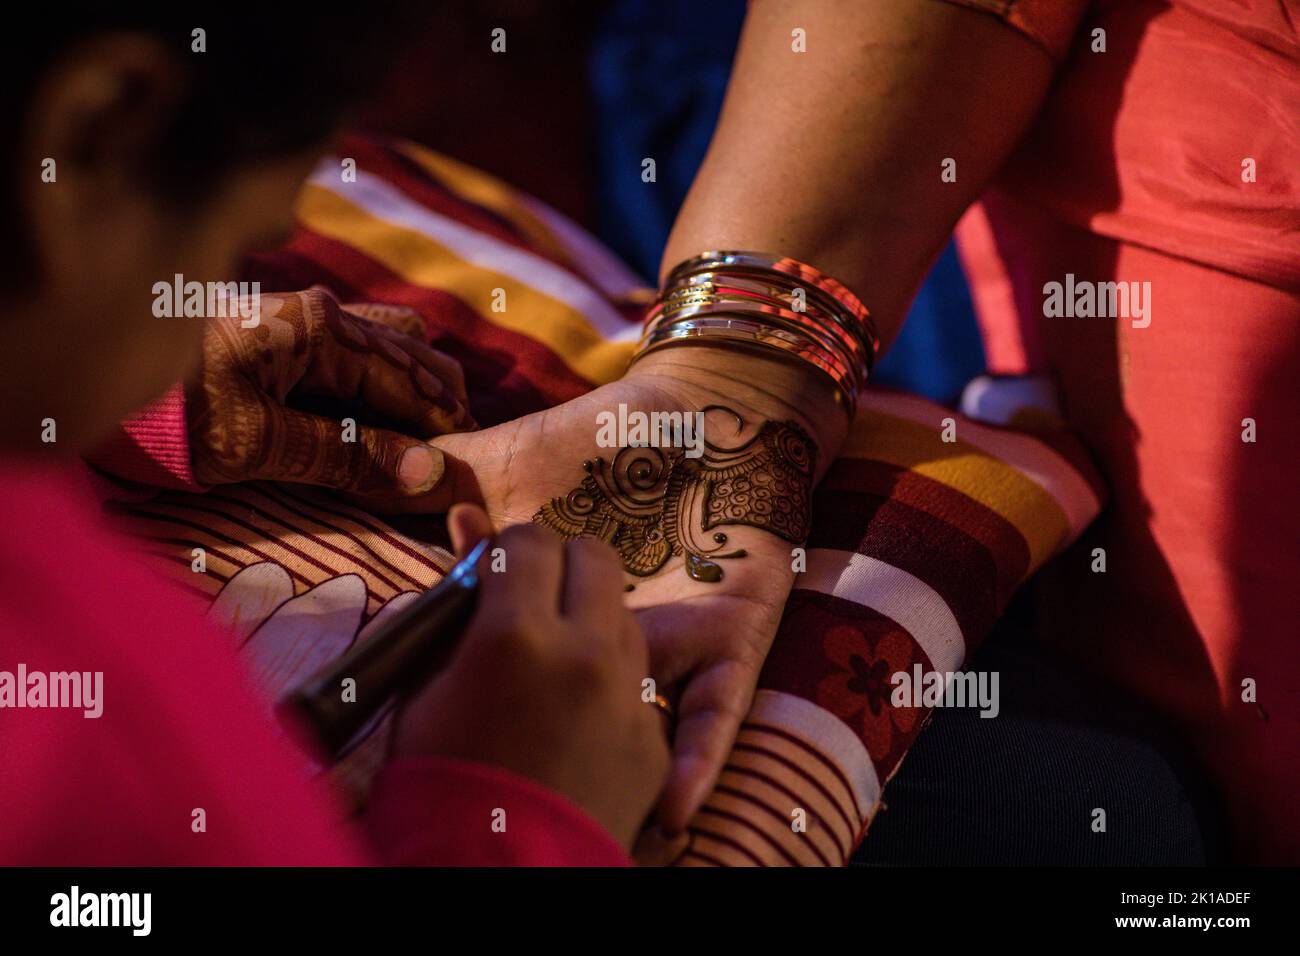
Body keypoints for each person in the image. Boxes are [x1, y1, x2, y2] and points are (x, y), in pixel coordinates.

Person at [0, 12, 668, 865]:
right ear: (94, 137)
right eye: (238, 250)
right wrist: (512, 819)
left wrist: (70, 375)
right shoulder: (128, 739)